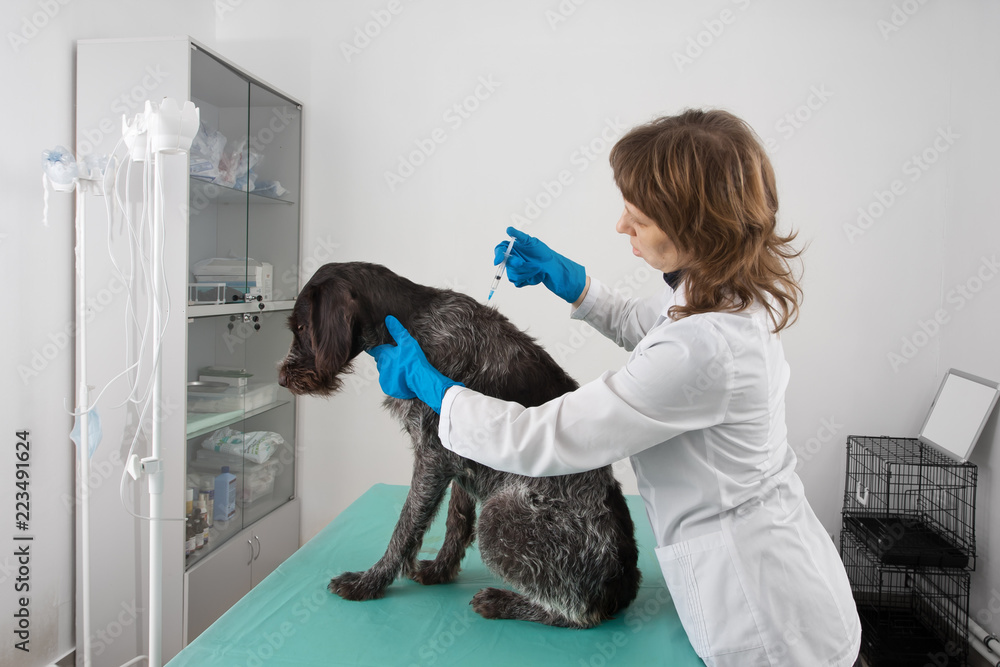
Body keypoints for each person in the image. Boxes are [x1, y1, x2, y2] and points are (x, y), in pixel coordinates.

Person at [368, 109, 861, 666]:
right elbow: (649, 324)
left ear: (696, 228)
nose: (621, 227)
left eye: (639, 217)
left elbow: (544, 439)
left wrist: (436, 391)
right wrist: (576, 287)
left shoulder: (707, 349)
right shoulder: (726, 287)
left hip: (768, 620)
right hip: (781, 566)